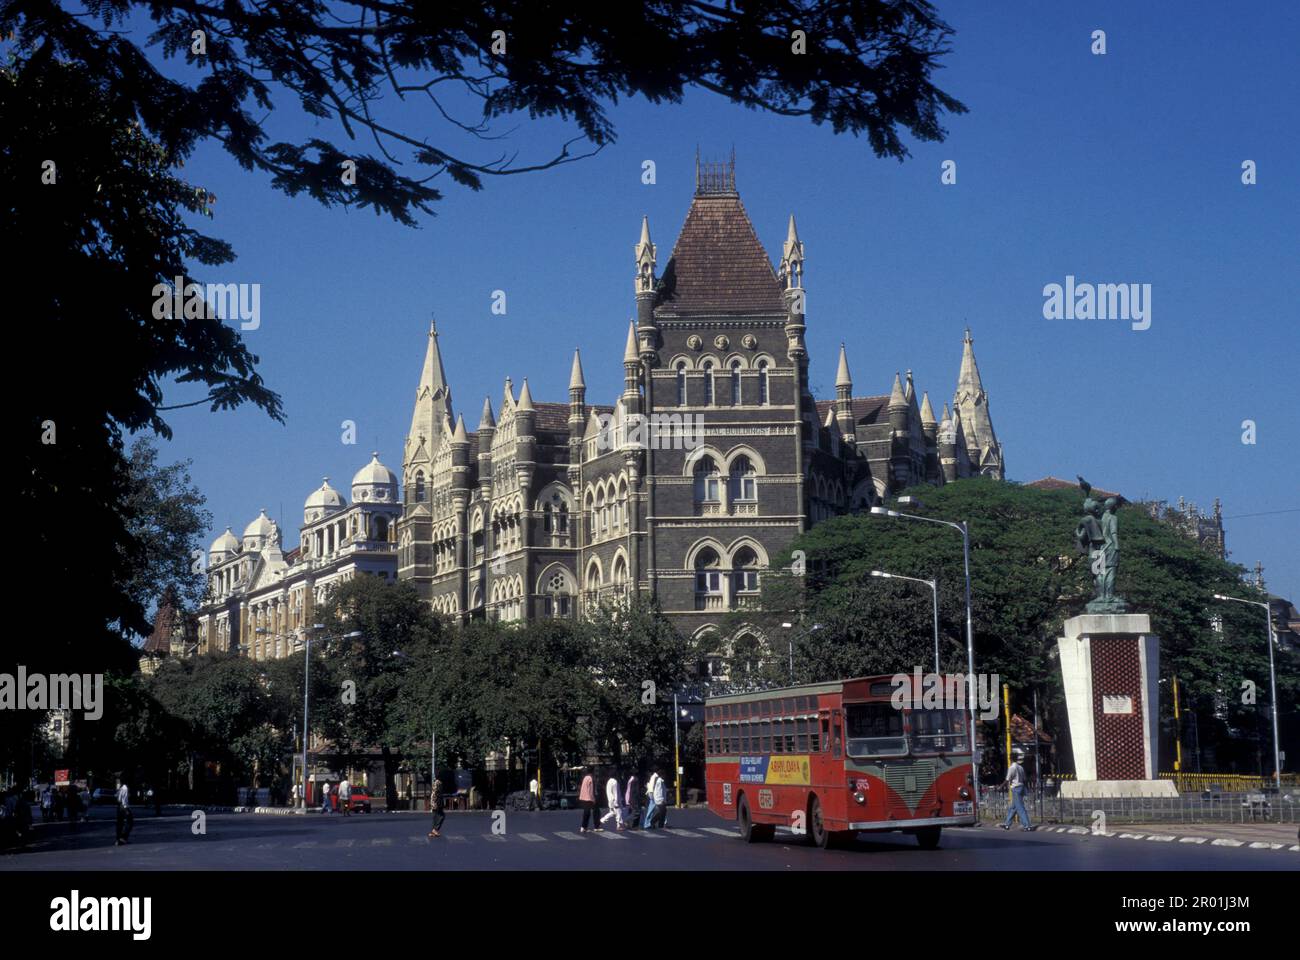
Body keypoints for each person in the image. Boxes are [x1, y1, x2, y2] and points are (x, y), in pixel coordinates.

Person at [1001, 751, 1034, 831]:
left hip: (1016, 788)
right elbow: (1025, 779)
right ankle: (1007, 824)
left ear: (1011, 759)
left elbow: (1007, 780)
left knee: (1020, 808)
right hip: (1021, 787)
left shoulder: (1012, 768)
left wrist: (1000, 786)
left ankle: (1027, 825)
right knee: (1013, 807)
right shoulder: (1020, 767)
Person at [577, 768, 599, 833]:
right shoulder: (591, 778)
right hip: (588, 797)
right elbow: (591, 790)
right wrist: (593, 798)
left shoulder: (585, 777)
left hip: (584, 797)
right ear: (592, 772)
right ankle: (591, 827)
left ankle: (584, 827)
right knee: (592, 811)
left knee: (587, 812)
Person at [115, 778, 133, 845]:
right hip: (124, 807)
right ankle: (123, 838)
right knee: (130, 823)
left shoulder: (120, 788)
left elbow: (118, 798)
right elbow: (124, 800)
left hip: (119, 807)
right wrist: (126, 809)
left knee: (120, 823)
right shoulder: (125, 788)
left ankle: (118, 839)